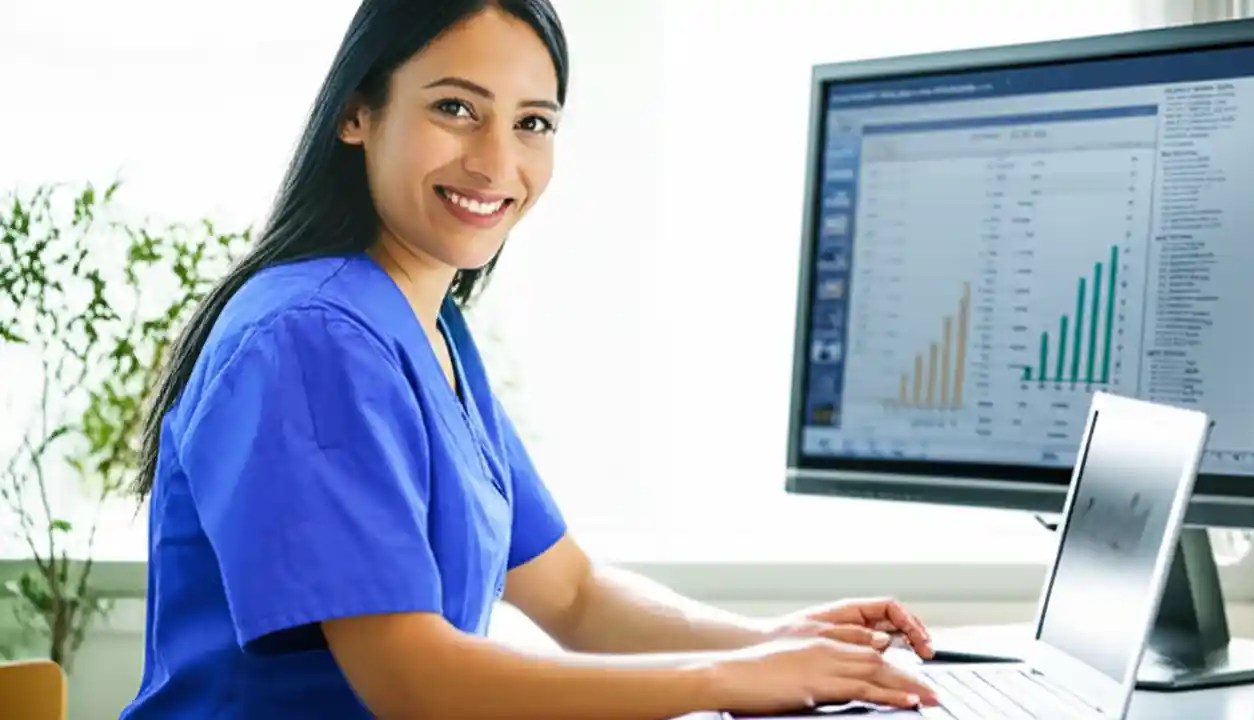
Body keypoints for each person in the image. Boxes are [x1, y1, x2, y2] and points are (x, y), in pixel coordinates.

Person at [120, 1, 940, 718]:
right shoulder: (311, 338)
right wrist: (731, 676)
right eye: (454, 108)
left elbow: (573, 593)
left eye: (533, 123)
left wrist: (774, 641)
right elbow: (414, 681)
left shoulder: (425, 327)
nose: (495, 161)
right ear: (356, 112)